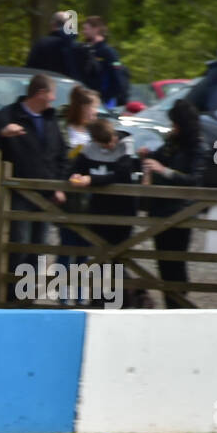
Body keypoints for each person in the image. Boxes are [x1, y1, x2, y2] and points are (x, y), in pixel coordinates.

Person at [0, 73, 69, 303]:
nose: (54, 100)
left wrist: (59, 184)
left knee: (39, 247)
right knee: (19, 245)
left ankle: (27, 297)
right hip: (19, 193)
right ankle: (12, 296)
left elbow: (61, 155)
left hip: (46, 195)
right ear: (41, 93)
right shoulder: (9, 115)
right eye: (52, 94)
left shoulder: (50, 119)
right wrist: (3, 134)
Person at [68, 119, 141, 307]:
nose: (110, 145)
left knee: (118, 257)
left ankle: (123, 299)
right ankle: (100, 298)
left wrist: (91, 179)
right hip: (98, 210)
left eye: (112, 140)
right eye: (105, 143)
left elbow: (122, 175)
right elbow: (75, 168)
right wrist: (75, 176)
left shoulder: (125, 145)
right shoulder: (89, 149)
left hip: (123, 211)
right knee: (100, 256)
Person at [139, 99, 203, 309]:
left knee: (176, 261)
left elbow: (193, 179)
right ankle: (171, 304)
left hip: (180, 211)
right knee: (163, 261)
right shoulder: (172, 141)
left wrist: (163, 171)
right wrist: (147, 156)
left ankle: (179, 305)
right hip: (160, 208)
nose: (173, 127)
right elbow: (159, 158)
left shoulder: (198, 146)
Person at [57, 85, 100, 275]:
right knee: (68, 245)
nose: (96, 112)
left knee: (86, 249)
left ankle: (81, 293)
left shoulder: (96, 132)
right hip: (69, 198)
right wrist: (79, 152)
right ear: (82, 107)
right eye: (93, 107)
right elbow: (61, 158)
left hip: (91, 199)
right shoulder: (63, 129)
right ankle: (63, 294)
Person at [80, 16, 128, 109]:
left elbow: (117, 77)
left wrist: (107, 97)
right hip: (86, 100)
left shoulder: (109, 53)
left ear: (96, 29)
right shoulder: (85, 50)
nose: (84, 32)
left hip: (104, 102)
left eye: (86, 29)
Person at [26, 10, 82, 79]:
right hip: (69, 87)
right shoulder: (76, 46)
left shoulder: (41, 43)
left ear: (53, 24)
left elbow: (30, 68)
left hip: (45, 86)